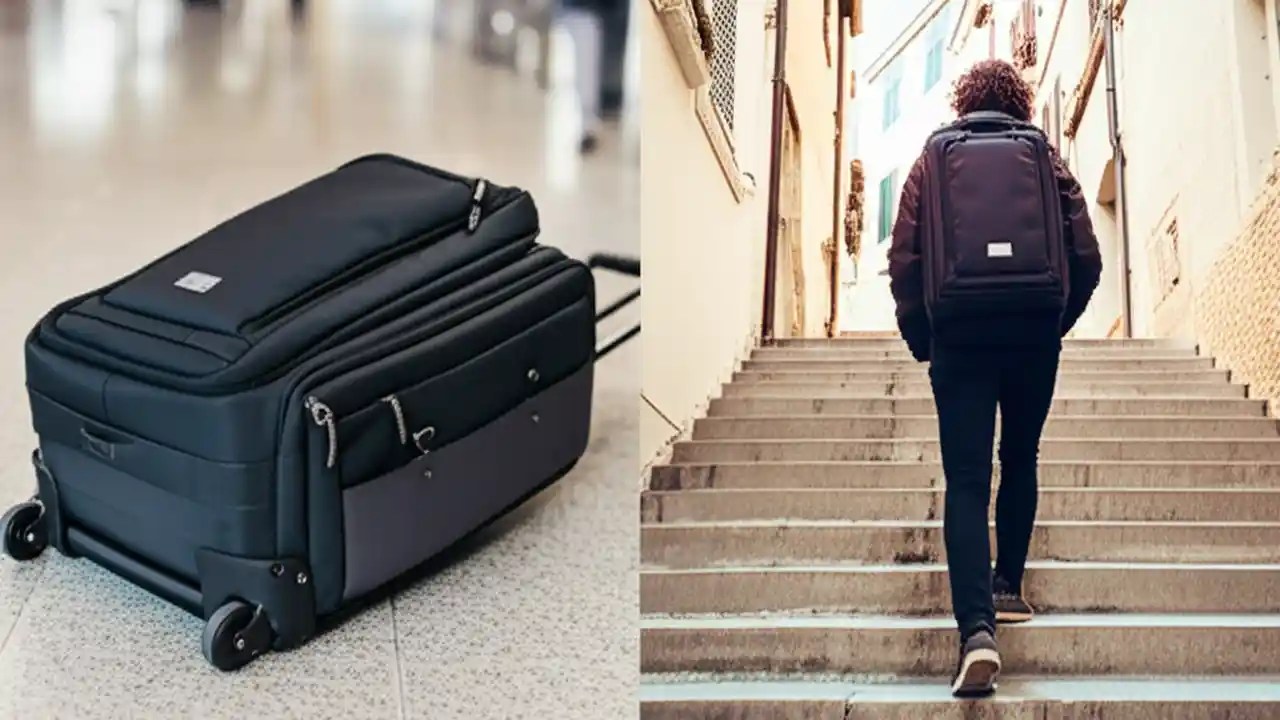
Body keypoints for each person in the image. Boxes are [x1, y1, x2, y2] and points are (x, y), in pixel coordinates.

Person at [887, 60, 1102, 697]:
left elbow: (903, 257)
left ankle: (977, 634)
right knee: (1022, 455)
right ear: (1018, 102)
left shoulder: (934, 158)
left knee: (966, 479)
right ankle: (1009, 585)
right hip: (1032, 331)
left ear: (962, 102)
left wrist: (925, 338)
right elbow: (1086, 252)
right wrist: (1054, 319)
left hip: (960, 333)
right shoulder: (1043, 154)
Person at [557, 0, 612, 154]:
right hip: (579, 12)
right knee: (584, 70)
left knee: (585, 70)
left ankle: (588, 125)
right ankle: (588, 124)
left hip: (585, 12)